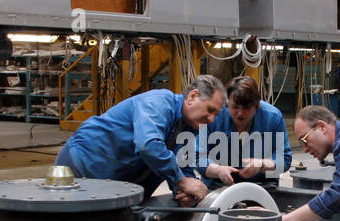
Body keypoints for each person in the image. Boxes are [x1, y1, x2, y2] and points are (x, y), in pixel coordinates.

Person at [56, 75, 224, 205]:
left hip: (117, 181)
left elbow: (183, 163)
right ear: (192, 96)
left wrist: (184, 193)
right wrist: (181, 181)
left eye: (216, 114)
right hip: (83, 164)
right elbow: (148, 145)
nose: (211, 119)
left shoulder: (190, 127)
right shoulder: (158, 103)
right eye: (210, 110)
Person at [197, 75, 292, 187]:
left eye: (247, 108)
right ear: (227, 104)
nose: (240, 113)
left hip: (262, 185)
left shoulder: (273, 117)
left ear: (257, 106)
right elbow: (197, 156)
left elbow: (284, 159)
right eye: (235, 107)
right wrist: (217, 170)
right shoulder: (213, 117)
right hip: (217, 185)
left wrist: (262, 164)